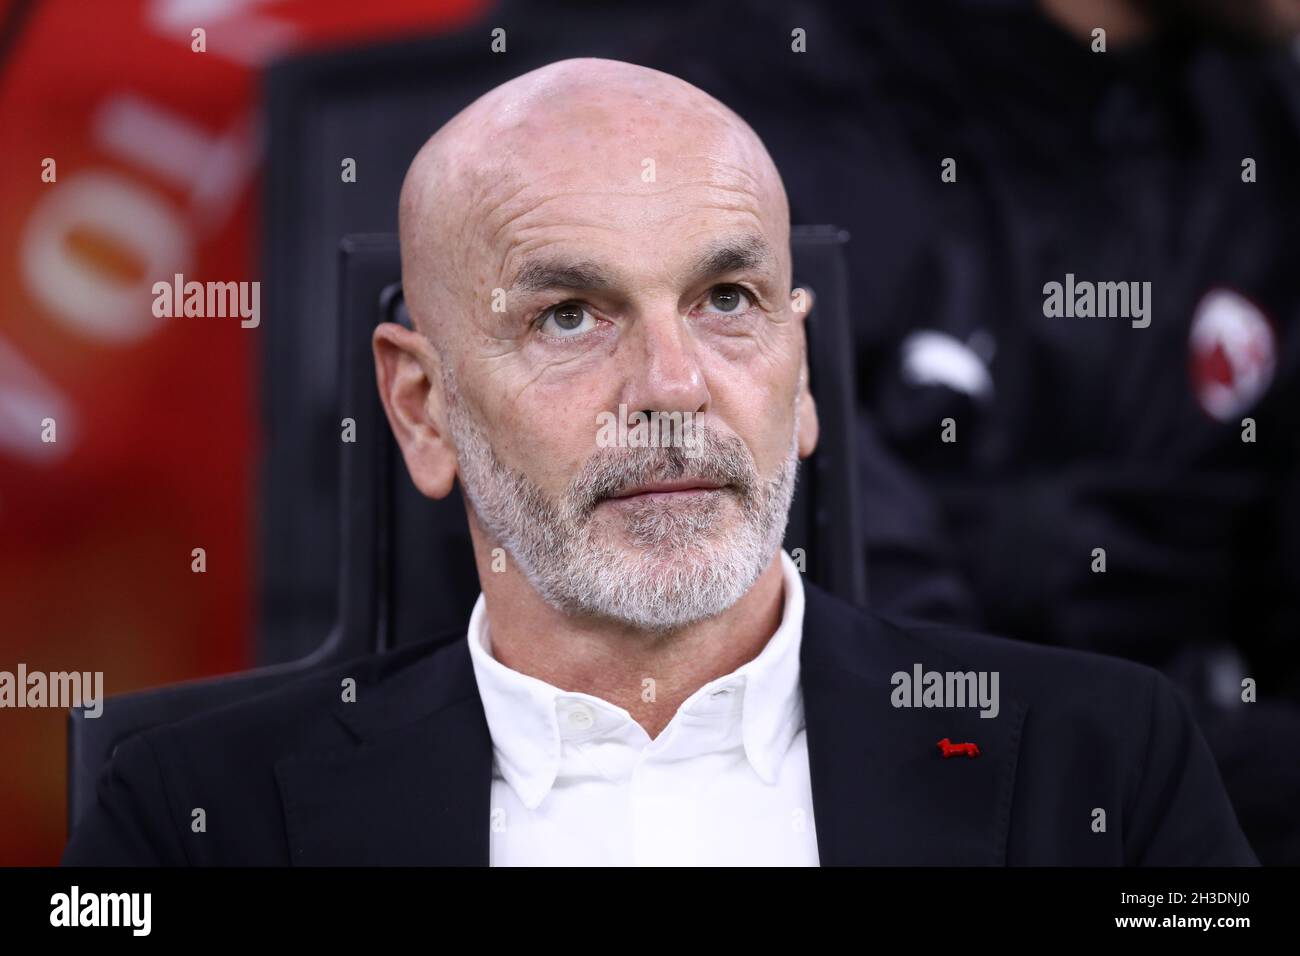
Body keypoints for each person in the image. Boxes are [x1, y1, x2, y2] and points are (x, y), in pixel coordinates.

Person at [63, 57, 1255, 866]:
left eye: (725, 299)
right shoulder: (192, 816)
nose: (673, 388)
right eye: (571, 316)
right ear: (421, 408)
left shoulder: (1105, 764)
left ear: (800, 375)